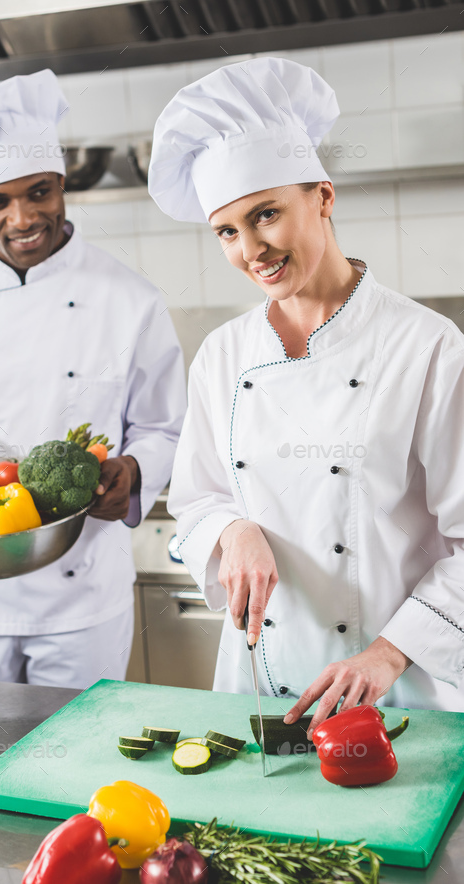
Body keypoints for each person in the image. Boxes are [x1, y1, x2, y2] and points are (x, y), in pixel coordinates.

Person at [148, 56, 464, 735]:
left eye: (266, 215)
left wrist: (387, 653)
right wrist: (233, 532)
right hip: (258, 688)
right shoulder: (224, 356)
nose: (251, 250)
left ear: (322, 196)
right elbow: (196, 500)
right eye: (227, 232)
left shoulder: (428, 348)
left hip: (392, 693)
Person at [0, 69, 186, 689]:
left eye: (38, 193)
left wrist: (129, 474)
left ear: (62, 185)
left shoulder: (130, 299)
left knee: (75, 761)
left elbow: (165, 427)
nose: (22, 217)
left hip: (84, 588)